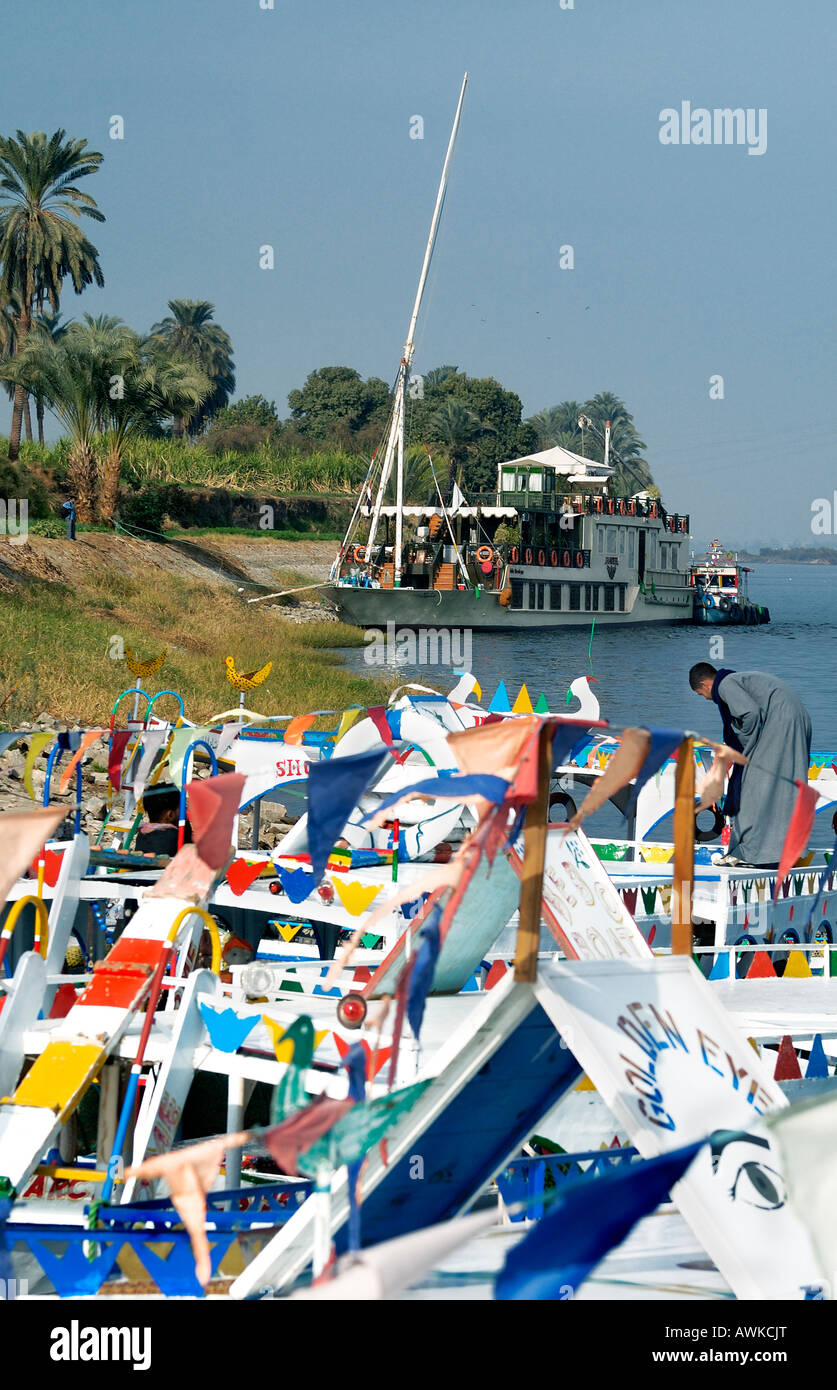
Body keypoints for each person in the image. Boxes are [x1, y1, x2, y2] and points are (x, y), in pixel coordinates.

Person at [688, 663, 812, 868]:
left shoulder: (725, 684)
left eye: (701, 694)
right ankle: (779, 851)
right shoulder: (738, 680)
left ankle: (747, 852)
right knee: (781, 788)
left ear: (704, 684)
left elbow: (750, 714)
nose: (707, 699)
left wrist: (745, 745)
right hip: (794, 719)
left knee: (751, 786)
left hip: (781, 723)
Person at [135, 782, 192, 857]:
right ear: (170, 815)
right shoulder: (175, 836)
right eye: (182, 807)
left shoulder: (142, 834)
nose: (185, 810)